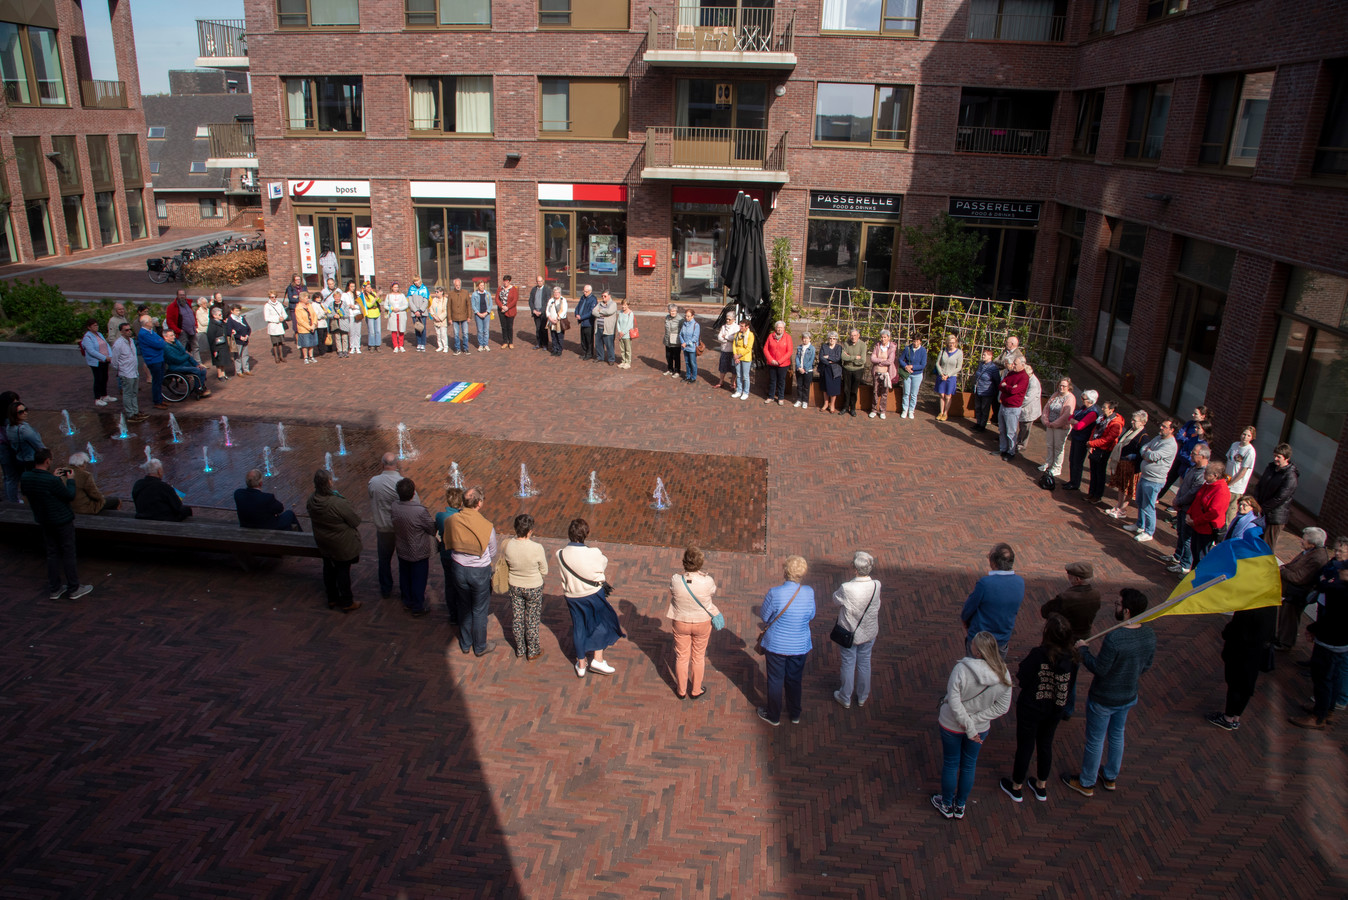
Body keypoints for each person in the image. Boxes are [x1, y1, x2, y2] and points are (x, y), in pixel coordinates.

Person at [1062, 588, 1156, 797]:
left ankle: (1087, 782)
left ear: (1127, 611)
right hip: (1128, 695)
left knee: (1095, 740)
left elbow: (1100, 668)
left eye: (1118, 604)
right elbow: (1147, 665)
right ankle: (1110, 776)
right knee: (1117, 735)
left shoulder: (1116, 638)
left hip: (1104, 698)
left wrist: (1083, 650)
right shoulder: (1149, 635)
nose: (1116, 607)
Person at [932, 631, 1013, 819]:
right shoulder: (1003, 674)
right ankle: (960, 805)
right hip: (979, 729)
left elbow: (954, 702)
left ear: (978, 652)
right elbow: (1002, 707)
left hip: (951, 725)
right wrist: (974, 722)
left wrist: (967, 723)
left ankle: (946, 804)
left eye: (973, 644)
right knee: (969, 765)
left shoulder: (961, 669)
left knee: (951, 763)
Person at [1000, 613, 1078, 803]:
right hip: (1055, 709)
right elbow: (1071, 684)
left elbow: (1023, 677)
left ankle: (1016, 786)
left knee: (1025, 746)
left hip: (1031, 707)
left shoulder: (1039, 654)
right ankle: (1041, 785)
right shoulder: (1073, 658)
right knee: (1045, 744)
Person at [20, 449, 92, 600]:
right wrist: (70, 480)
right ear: (47, 461)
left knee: (52, 553)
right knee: (68, 552)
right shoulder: (51, 481)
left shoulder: (26, 477)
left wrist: (53, 479)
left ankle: (55, 588)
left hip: (43, 519)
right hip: (61, 520)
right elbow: (69, 495)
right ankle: (74, 588)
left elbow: (32, 492)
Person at [1289, 554, 1348, 731]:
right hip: (1342, 643)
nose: (1340, 571)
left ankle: (1318, 717)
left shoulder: (1339, 590)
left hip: (1329, 641)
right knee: (1335, 677)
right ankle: (1328, 710)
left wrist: (1313, 628)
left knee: (1322, 678)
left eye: (1343, 569)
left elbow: (1331, 617)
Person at [558, 517, 623, 676]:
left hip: (572, 596)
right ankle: (598, 660)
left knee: (578, 627)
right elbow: (603, 563)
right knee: (602, 622)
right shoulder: (593, 552)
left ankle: (581, 664)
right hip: (592, 594)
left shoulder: (560, 554)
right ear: (585, 534)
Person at [757, 555, 816, 726]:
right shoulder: (809, 592)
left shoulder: (775, 593)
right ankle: (795, 713)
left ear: (785, 572)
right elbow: (811, 615)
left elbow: (765, 616)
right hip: (800, 645)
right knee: (794, 679)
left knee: (775, 679)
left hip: (776, 645)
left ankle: (774, 715)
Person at [1207, 597, 1277, 732]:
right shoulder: (1271, 604)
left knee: (1235, 684)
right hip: (1256, 653)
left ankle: (1228, 718)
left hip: (1240, 651)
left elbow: (1234, 629)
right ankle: (1236, 717)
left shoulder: (1249, 605)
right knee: (1247, 686)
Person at [449, 486, 499, 656]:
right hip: (479, 571)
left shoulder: (452, 520)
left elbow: (448, 540)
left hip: (458, 568)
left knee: (464, 606)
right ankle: (480, 646)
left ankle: (465, 643)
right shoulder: (487, 526)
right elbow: (492, 551)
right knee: (479, 610)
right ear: (479, 503)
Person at [667, 545, 722, 699]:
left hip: (681, 621)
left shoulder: (676, 580)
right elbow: (712, 591)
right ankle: (696, 689)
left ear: (684, 562)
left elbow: (672, 590)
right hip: (702, 622)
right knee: (698, 656)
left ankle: (681, 690)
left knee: (682, 657)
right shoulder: (707, 581)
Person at [306, 469, 362, 613]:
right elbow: (355, 521)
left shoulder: (312, 500)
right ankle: (347, 601)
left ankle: (331, 598)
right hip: (340, 544)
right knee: (343, 571)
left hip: (323, 541)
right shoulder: (337, 503)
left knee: (328, 569)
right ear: (329, 483)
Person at [831, 551, 882, 709]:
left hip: (849, 633)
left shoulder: (847, 588)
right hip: (869, 632)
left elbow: (835, 600)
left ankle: (845, 696)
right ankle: (862, 696)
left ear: (855, 569)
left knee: (848, 663)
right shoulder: (876, 585)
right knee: (865, 662)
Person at [961, 543, 1025, 654]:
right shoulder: (1020, 582)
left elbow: (968, 609)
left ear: (994, 562)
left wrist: (966, 622)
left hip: (980, 640)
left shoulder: (985, 584)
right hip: (1001, 641)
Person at [368, 453, 416, 599]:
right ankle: (405, 590)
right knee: (404, 560)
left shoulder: (374, 482)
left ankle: (386, 588)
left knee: (384, 560)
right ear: (397, 464)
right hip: (401, 528)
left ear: (382, 464)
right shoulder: (403, 483)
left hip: (383, 528)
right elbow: (415, 503)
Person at [1275, 527, 1330, 651]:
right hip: (1292, 592)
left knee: (1290, 618)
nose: (1301, 541)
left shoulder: (1317, 558)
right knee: (1285, 615)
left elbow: (1299, 578)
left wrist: (1283, 571)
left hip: (1299, 594)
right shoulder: (1309, 551)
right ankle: (1280, 638)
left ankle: (1285, 643)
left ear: (1312, 544)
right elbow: (1294, 565)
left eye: (1304, 540)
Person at [1161, 444, 1212, 575]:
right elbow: (1184, 486)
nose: (1190, 455)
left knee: (1187, 538)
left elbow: (1192, 493)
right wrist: (1177, 499)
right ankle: (1177, 556)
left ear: (1203, 456)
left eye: (1193, 453)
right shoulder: (1193, 467)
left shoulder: (1203, 474)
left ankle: (1185, 564)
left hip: (1189, 510)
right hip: (1182, 506)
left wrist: (1179, 501)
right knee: (1180, 533)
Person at [1123, 417, 1176, 544]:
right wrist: (1147, 452)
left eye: (1164, 427)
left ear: (1172, 430)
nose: (1161, 428)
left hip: (1154, 481)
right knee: (1140, 502)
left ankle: (1149, 532)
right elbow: (1144, 448)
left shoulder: (1170, 445)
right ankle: (1140, 525)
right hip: (1145, 476)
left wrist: (1147, 453)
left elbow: (1153, 456)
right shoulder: (1158, 438)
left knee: (1148, 506)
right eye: (1161, 425)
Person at [505, 514, 548, 660]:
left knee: (517, 617)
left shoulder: (508, 545)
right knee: (532, 619)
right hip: (533, 586)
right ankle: (533, 650)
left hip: (514, 585)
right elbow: (544, 570)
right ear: (530, 531)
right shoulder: (537, 548)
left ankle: (520, 648)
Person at [392, 477, 436, 616]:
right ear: (413, 493)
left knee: (404, 575)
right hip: (418, 551)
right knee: (419, 579)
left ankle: (407, 601)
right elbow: (431, 529)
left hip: (402, 548)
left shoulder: (394, 506)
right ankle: (417, 606)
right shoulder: (419, 511)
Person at [1253, 443, 1299, 552]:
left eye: (1279, 457)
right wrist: (1256, 503)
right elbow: (1260, 485)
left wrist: (1262, 508)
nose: (1275, 459)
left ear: (1287, 458)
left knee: (1267, 545)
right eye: (1274, 455)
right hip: (1262, 511)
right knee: (1256, 540)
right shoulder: (1271, 468)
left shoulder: (1290, 476)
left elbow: (1280, 498)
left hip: (1275, 516)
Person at [1185, 462, 1231, 569]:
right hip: (1197, 526)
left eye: (1206, 473)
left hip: (1206, 530)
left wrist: (1195, 521)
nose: (1204, 474)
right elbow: (1198, 500)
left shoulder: (1221, 491)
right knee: (1195, 551)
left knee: (1201, 556)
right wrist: (1189, 513)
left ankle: (1196, 576)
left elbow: (1213, 513)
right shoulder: (1207, 484)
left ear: (1215, 476)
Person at [1105, 411, 1148, 519]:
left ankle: (1123, 509)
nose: (1132, 422)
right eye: (1132, 419)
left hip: (1131, 467)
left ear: (1142, 422)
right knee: (1121, 487)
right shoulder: (1130, 430)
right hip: (1122, 463)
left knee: (1128, 489)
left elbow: (1142, 454)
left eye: (1135, 420)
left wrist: (1133, 457)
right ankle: (1118, 505)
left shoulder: (1144, 437)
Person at [434, 485, 464, 627]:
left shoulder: (440, 516)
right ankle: (462, 613)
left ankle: (453, 614)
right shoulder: (462, 517)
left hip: (446, 555)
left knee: (449, 584)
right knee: (461, 585)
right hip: (459, 556)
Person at [234, 469, 300, 530]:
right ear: (260, 483)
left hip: (246, 527)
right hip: (265, 529)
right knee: (289, 514)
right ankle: (302, 536)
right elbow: (280, 508)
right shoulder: (267, 498)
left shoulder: (238, 494)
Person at [1085, 400, 1124, 501]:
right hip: (1095, 447)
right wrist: (1091, 443)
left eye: (1104, 408)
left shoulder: (1116, 423)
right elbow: (1095, 431)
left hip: (1104, 450)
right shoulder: (1102, 418)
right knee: (1093, 472)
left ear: (1111, 410)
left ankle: (1097, 496)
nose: (1102, 409)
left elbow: (1107, 439)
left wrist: (1092, 443)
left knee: (1100, 473)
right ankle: (1091, 493)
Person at [1062, 389, 1099, 490]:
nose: (1082, 400)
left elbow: (1079, 426)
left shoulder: (1092, 413)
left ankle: (1075, 483)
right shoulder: (1083, 408)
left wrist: (1074, 422)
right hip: (1076, 437)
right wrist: (1075, 421)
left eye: (1084, 399)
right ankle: (1071, 480)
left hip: (1082, 439)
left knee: (1077, 462)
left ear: (1091, 400)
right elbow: (1070, 418)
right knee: (1072, 460)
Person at [1039, 377, 1076, 477]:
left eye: (1064, 386)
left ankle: (1057, 467)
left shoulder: (1070, 398)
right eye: (1060, 385)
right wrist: (1045, 420)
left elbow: (1066, 415)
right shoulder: (1055, 394)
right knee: (1050, 445)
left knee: (1058, 447)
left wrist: (1054, 424)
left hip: (1061, 427)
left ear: (1069, 387)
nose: (1061, 387)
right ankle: (1048, 463)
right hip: (1050, 424)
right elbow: (1047, 408)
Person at [110, 322, 145, 422]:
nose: (129, 331)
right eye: (126, 330)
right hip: (126, 373)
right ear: (121, 332)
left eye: (130, 329)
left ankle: (135, 411)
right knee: (127, 393)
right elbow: (114, 361)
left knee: (134, 392)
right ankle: (130, 414)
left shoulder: (131, 341)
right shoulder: (118, 344)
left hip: (134, 372)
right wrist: (122, 370)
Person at [161, 330, 212, 398]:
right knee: (197, 370)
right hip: (175, 366)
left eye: (173, 335)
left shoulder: (177, 342)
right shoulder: (166, 347)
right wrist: (187, 355)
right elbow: (177, 359)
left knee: (202, 369)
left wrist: (196, 364)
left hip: (184, 363)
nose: (174, 337)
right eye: (171, 336)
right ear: (165, 337)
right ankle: (198, 390)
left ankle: (200, 386)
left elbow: (185, 354)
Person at [997, 358, 1029, 461]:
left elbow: (1014, 391)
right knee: (1002, 429)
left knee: (1011, 431)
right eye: (1013, 363)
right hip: (1003, 405)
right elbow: (1000, 385)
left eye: (1015, 364)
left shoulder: (1024, 377)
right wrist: (1009, 387)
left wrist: (1006, 386)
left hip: (1013, 408)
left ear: (1022, 365)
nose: (1013, 365)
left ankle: (1011, 451)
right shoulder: (1010, 373)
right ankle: (1003, 449)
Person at [1224, 426, 1257, 524]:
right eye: (1244, 434)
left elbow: (1242, 472)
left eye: (1248, 435)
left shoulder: (1250, 451)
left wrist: (1230, 484)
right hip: (1226, 481)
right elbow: (1228, 461)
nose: (1245, 437)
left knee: (1229, 515)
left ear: (1252, 437)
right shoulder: (1234, 445)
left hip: (1236, 488)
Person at [136, 315, 169, 409]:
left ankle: (160, 399)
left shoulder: (150, 331)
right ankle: (157, 401)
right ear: (146, 323)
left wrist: (161, 341)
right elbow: (159, 343)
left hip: (159, 358)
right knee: (156, 381)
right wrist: (161, 342)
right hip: (153, 360)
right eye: (150, 321)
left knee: (159, 380)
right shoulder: (143, 334)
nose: (152, 322)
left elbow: (160, 340)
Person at [80, 319, 114, 406]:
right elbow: (91, 351)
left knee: (105, 378)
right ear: (89, 327)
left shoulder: (99, 334)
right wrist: (103, 357)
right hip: (97, 362)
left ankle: (104, 395)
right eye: (94, 325)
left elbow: (106, 345)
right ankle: (97, 398)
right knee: (98, 379)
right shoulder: (87, 337)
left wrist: (110, 355)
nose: (96, 327)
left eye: (97, 325)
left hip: (105, 361)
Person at [5, 400, 44, 475]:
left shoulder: (9, 427)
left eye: (25, 410)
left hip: (19, 458)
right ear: (14, 414)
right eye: (21, 412)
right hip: (31, 460)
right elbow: (38, 445)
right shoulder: (24, 430)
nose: (25, 413)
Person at [761, 320, 793, 405]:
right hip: (772, 363)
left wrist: (779, 361)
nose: (779, 329)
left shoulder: (787, 337)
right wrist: (771, 359)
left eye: (781, 327)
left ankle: (781, 397)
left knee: (781, 381)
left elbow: (789, 351)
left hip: (783, 364)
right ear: (775, 328)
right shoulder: (770, 336)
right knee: (772, 380)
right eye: (778, 327)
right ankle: (770, 396)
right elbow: (765, 349)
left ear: (784, 328)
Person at [869, 330, 898, 419]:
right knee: (875, 391)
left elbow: (890, 361)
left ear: (889, 338)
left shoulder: (892, 347)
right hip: (877, 372)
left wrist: (878, 361)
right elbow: (872, 358)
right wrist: (882, 360)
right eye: (882, 337)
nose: (883, 339)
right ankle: (874, 410)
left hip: (886, 374)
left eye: (885, 337)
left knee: (884, 393)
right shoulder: (877, 346)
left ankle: (882, 411)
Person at [897, 333, 926, 420]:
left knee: (914, 394)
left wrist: (912, 366)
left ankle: (911, 410)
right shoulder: (907, 348)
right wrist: (906, 366)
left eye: (917, 341)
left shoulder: (923, 351)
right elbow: (900, 359)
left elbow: (923, 365)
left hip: (917, 375)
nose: (915, 343)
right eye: (914, 341)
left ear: (920, 342)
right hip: (907, 374)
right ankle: (905, 409)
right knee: (906, 392)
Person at [935, 333, 963, 422]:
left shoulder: (959, 353)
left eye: (953, 343)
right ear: (947, 342)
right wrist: (941, 373)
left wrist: (948, 375)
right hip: (942, 375)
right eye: (950, 342)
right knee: (941, 394)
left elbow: (959, 367)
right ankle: (940, 412)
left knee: (948, 396)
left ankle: (945, 413)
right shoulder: (943, 351)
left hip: (951, 377)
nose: (951, 344)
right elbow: (937, 363)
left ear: (956, 343)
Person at [840, 328, 867, 418]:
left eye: (855, 335)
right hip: (847, 369)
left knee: (854, 391)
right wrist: (855, 357)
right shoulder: (846, 343)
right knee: (846, 389)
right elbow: (843, 357)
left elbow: (863, 360)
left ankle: (853, 408)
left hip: (858, 370)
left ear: (858, 336)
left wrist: (849, 358)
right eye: (851, 335)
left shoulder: (863, 345)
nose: (853, 337)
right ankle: (845, 407)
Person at [970, 349, 999, 433]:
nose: (983, 356)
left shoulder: (993, 368)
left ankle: (982, 425)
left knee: (984, 409)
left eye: (985, 355)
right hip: (978, 390)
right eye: (983, 354)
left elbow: (997, 381)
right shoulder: (981, 365)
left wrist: (994, 391)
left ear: (990, 356)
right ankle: (978, 423)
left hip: (987, 392)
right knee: (978, 407)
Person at [1016, 363, 1041, 452]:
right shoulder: (1028, 380)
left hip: (1029, 410)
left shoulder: (1033, 383)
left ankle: (1022, 444)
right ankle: (1019, 441)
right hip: (1024, 409)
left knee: (1025, 428)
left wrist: (1018, 403)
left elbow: (1028, 398)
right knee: (1022, 426)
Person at [818, 331, 843, 413]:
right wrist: (829, 362)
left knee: (834, 388)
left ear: (836, 340)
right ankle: (825, 404)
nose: (832, 340)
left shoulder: (839, 348)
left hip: (835, 371)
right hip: (825, 369)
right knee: (825, 388)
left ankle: (832, 405)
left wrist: (828, 356)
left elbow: (838, 358)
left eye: (834, 338)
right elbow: (821, 357)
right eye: (830, 338)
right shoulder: (824, 346)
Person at [715, 310, 739, 391]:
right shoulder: (723, 327)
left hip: (733, 351)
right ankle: (721, 381)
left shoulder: (736, 327)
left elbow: (735, 338)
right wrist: (727, 339)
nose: (727, 321)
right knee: (722, 367)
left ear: (734, 319)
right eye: (727, 319)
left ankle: (733, 382)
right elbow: (719, 337)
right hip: (724, 350)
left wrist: (725, 337)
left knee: (733, 368)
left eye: (729, 319)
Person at [206, 306, 232, 381]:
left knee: (223, 360)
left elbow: (225, 331)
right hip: (217, 346)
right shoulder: (212, 325)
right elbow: (211, 338)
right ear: (214, 316)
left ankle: (223, 374)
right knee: (219, 361)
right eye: (219, 315)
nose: (221, 316)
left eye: (221, 314)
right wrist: (214, 349)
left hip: (223, 345)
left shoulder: (221, 323)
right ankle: (219, 375)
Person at [731, 319, 754, 400]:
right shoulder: (737, 334)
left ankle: (745, 392)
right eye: (740, 325)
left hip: (745, 358)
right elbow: (734, 345)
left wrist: (739, 356)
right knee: (739, 375)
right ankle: (739, 391)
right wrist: (735, 354)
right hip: (737, 357)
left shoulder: (750, 335)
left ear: (747, 327)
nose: (740, 327)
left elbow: (748, 348)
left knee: (745, 376)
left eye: (742, 326)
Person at [792, 332, 816, 409]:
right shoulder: (799, 347)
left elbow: (811, 360)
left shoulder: (812, 348)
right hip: (799, 370)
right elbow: (797, 358)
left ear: (810, 339)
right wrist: (799, 367)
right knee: (799, 386)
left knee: (806, 386)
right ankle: (799, 400)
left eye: (806, 338)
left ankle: (805, 401)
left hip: (808, 370)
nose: (805, 340)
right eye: (803, 338)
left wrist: (805, 369)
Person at [263, 291, 288, 365]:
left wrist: (283, 318)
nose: (274, 298)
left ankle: (281, 356)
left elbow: (284, 314)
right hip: (273, 326)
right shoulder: (267, 306)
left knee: (280, 342)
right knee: (274, 342)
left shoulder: (279, 304)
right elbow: (267, 317)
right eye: (272, 297)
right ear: (269, 297)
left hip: (280, 326)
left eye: (275, 297)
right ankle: (276, 357)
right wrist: (277, 319)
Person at [227, 303, 253, 373]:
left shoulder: (242, 318)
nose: (238, 312)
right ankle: (239, 371)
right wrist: (239, 337)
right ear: (232, 311)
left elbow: (248, 328)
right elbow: (229, 332)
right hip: (237, 341)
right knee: (238, 356)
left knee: (245, 355)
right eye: (236, 311)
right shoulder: (230, 320)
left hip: (245, 340)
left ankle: (246, 369)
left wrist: (247, 335)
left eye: (239, 310)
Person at [594, 290, 618, 365]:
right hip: (598, 327)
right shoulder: (600, 303)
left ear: (609, 296)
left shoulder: (613, 304)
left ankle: (611, 359)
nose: (603, 297)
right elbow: (594, 311)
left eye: (605, 296)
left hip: (608, 328)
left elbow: (609, 312)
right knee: (598, 344)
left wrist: (600, 310)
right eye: (602, 296)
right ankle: (600, 357)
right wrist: (600, 314)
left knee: (609, 344)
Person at [574, 284, 597, 359]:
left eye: (586, 291)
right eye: (584, 291)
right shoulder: (582, 297)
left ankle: (589, 354)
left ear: (590, 291)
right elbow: (578, 306)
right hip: (582, 322)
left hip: (588, 322)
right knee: (583, 339)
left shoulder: (593, 299)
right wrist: (576, 313)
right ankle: (584, 352)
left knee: (589, 339)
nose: (584, 293)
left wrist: (582, 317)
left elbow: (591, 312)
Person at [295, 292, 319, 363]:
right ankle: (305, 357)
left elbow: (314, 315)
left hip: (312, 327)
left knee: (312, 343)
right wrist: (309, 327)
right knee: (305, 344)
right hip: (304, 329)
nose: (308, 299)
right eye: (306, 298)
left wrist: (314, 324)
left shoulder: (309, 305)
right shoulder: (298, 308)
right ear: (302, 299)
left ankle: (311, 356)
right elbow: (300, 320)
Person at [407, 276, 430, 352]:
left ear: (420, 280)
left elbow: (426, 301)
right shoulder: (411, 289)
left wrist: (420, 310)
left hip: (422, 312)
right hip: (414, 313)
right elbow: (410, 301)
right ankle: (419, 343)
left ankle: (423, 343)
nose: (416, 282)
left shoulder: (424, 288)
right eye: (415, 281)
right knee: (417, 328)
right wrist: (415, 311)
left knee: (423, 328)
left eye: (417, 281)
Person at [385, 282, 409, 353]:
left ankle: (401, 345)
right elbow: (386, 305)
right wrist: (392, 309)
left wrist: (399, 309)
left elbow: (406, 304)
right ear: (392, 288)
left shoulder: (402, 295)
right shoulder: (389, 295)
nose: (396, 289)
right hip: (393, 314)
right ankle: (395, 346)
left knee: (401, 330)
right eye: (395, 287)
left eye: (397, 287)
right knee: (394, 330)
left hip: (401, 313)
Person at [527, 276, 550, 350]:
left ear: (543, 281)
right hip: (535, 312)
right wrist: (533, 310)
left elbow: (547, 301)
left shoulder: (547, 290)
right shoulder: (534, 289)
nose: (539, 282)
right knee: (537, 328)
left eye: (540, 281)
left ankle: (545, 344)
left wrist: (541, 311)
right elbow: (530, 301)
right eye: (538, 281)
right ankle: (539, 343)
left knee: (543, 329)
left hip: (543, 313)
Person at [679, 309, 701, 385]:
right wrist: (682, 342)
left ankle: (693, 377)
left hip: (692, 348)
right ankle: (688, 376)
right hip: (685, 347)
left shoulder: (696, 325)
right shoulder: (684, 324)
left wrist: (686, 343)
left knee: (693, 363)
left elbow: (695, 338)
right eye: (686, 316)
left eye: (688, 316)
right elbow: (680, 334)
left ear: (692, 316)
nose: (687, 318)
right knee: (687, 362)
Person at [470, 279, 492, 351]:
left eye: (483, 285)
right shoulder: (474, 294)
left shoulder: (488, 294)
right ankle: (481, 345)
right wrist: (478, 313)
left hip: (486, 314)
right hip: (478, 315)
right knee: (480, 330)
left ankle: (486, 344)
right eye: (480, 285)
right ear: (478, 286)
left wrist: (486, 312)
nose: (482, 287)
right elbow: (473, 305)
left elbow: (490, 304)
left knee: (486, 330)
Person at [496, 275, 518, 349]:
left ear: (510, 281)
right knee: (503, 327)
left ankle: (510, 342)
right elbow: (497, 299)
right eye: (504, 281)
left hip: (510, 310)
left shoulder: (513, 289)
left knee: (509, 326)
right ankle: (505, 341)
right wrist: (502, 306)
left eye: (507, 281)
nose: (505, 283)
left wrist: (507, 307)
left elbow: (514, 300)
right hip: (501, 310)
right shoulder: (500, 288)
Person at [545, 287, 568, 356]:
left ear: (560, 293)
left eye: (557, 292)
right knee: (553, 336)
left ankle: (559, 350)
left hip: (559, 321)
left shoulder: (563, 300)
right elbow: (547, 310)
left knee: (559, 336)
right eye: (554, 292)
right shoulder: (551, 300)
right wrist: (550, 318)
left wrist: (558, 318)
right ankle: (554, 349)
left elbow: (564, 310)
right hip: (552, 321)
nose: (555, 294)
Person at [361, 281, 383, 351]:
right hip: (370, 314)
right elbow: (369, 305)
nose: (370, 288)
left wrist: (380, 295)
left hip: (377, 313)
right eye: (368, 287)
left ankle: (378, 344)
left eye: (370, 287)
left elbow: (380, 301)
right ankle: (372, 345)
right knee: (371, 331)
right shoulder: (364, 296)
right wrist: (376, 297)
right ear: (365, 289)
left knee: (378, 330)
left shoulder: (373, 293)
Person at [663, 303, 683, 377]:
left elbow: (682, 331)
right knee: (668, 356)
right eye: (671, 311)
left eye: (674, 311)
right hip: (667, 340)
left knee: (676, 357)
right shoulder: (667, 317)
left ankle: (677, 371)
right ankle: (670, 369)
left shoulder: (680, 319)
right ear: (669, 311)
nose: (673, 312)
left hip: (676, 341)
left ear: (676, 311)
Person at [429, 286, 449, 353]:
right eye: (435, 292)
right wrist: (434, 315)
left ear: (441, 292)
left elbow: (445, 311)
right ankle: (440, 346)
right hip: (435, 320)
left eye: (437, 292)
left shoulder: (445, 300)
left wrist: (440, 318)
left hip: (442, 321)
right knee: (438, 334)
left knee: (443, 334)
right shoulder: (434, 300)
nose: (436, 293)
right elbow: (431, 308)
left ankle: (445, 346)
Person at [616, 299, 634, 369]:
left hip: (627, 335)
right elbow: (618, 322)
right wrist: (619, 331)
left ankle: (628, 362)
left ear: (628, 305)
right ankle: (623, 361)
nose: (623, 306)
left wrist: (623, 332)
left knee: (628, 349)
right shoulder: (620, 312)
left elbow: (629, 325)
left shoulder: (630, 313)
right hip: (621, 334)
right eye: (623, 305)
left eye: (625, 305)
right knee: (622, 349)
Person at [192, 296, 210, 363]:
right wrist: (210, 321)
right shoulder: (199, 312)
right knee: (201, 349)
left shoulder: (209, 310)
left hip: (209, 330)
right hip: (202, 332)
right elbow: (202, 322)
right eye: (203, 303)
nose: (205, 304)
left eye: (206, 303)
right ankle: (199, 362)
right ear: (200, 304)